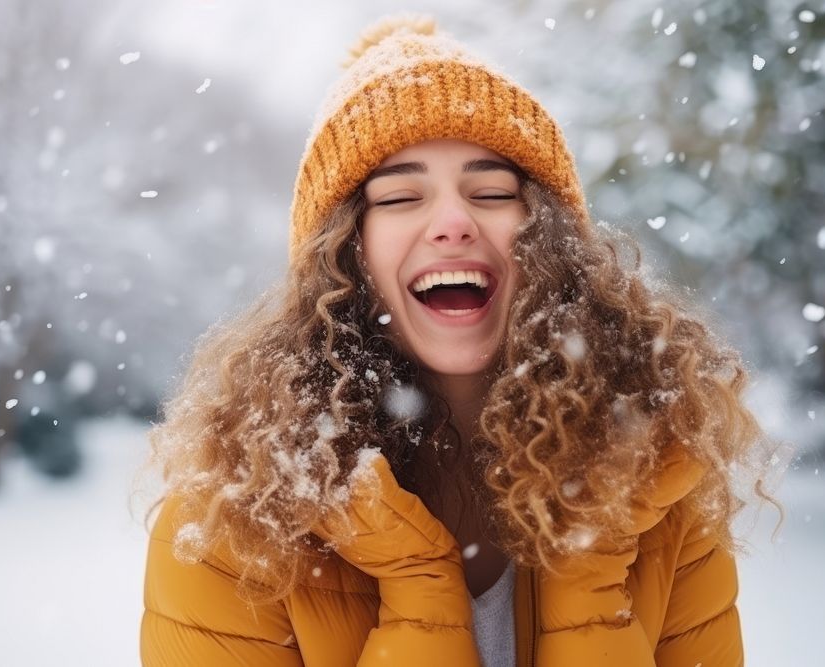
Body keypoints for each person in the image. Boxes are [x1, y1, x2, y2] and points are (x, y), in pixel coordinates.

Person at [139, 14, 780, 667]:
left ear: (552, 242)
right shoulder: (236, 518)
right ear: (344, 255)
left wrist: (589, 584)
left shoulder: (655, 482)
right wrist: (421, 595)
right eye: (398, 197)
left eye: (493, 190)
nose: (452, 221)